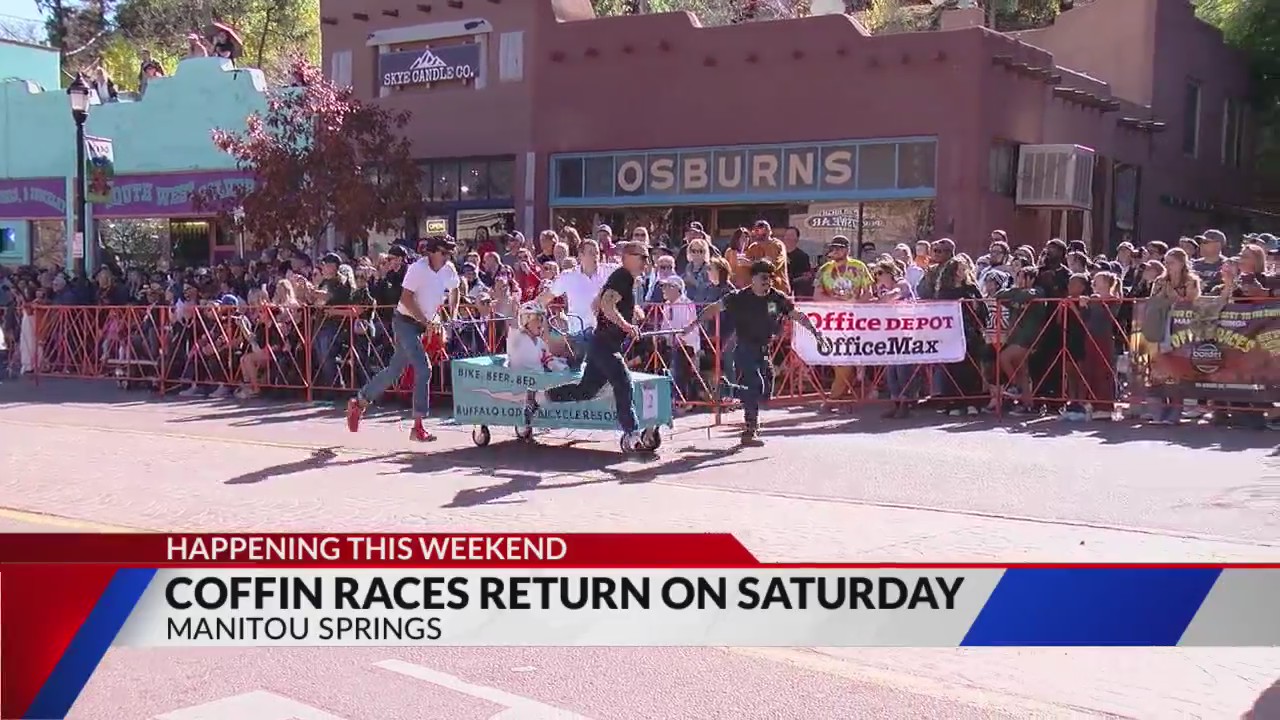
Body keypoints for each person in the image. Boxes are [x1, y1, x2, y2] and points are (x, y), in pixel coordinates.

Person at [523, 241, 649, 450]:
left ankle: (537, 396)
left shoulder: (619, 277)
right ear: (628, 257)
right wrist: (625, 325)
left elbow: (597, 303)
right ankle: (632, 434)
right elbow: (607, 304)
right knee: (623, 380)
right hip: (603, 344)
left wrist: (629, 314)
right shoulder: (623, 277)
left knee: (587, 390)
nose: (646, 262)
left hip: (603, 341)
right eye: (642, 257)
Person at [686, 260, 824, 444]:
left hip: (764, 350)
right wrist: (692, 325)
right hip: (744, 348)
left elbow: (797, 315)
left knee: (766, 393)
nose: (768, 282)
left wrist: (816, 332)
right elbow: (713, 308)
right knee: (754, 386)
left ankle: (727, 390)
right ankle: (750, 430)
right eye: (763, 278)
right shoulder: (739, 297)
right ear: (753, 279)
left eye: (770, 278)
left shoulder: (776, 298)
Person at [346, 235, 460, 442]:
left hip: (423, 323)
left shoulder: (448, 269)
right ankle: (418, 426)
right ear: (432, 252)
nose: (446, 257)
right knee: (424, 369)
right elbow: (406, 298)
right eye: (443, 253)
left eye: (449, 254)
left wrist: (452, 315)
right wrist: (426, 322)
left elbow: (455, 289)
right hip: (405, 322)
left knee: (394, 370)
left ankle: (360, 401)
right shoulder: (418, 269)